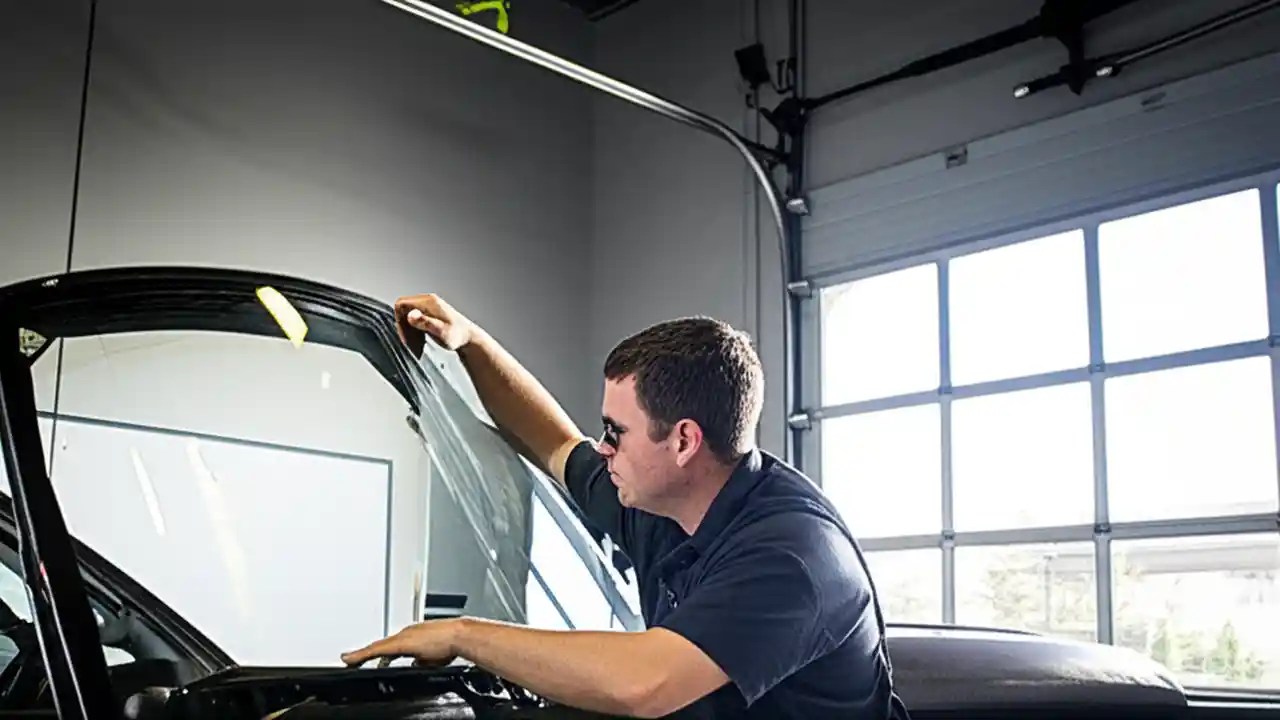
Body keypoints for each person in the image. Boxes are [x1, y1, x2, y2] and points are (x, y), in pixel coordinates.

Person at [341, 293, 910, 720]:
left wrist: (462, 635)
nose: (603, 447)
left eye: (616, 431)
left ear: (683, 441)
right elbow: (553, 443)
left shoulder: (793, 558)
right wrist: (471, 342)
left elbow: (645, 681)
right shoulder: (663, 498)